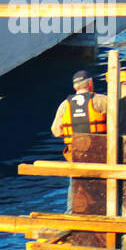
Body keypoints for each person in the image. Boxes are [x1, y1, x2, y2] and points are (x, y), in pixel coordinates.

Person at [50, 70, 108, 212]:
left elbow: (56, 130)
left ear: (75, 87)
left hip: (76, 154)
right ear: (90, 83)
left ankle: (71, 212)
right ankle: (103, 210)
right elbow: (119, 121)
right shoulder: (101, 100)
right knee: (102, 184)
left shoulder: (65, 105)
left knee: (76, 183)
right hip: (100, 153)